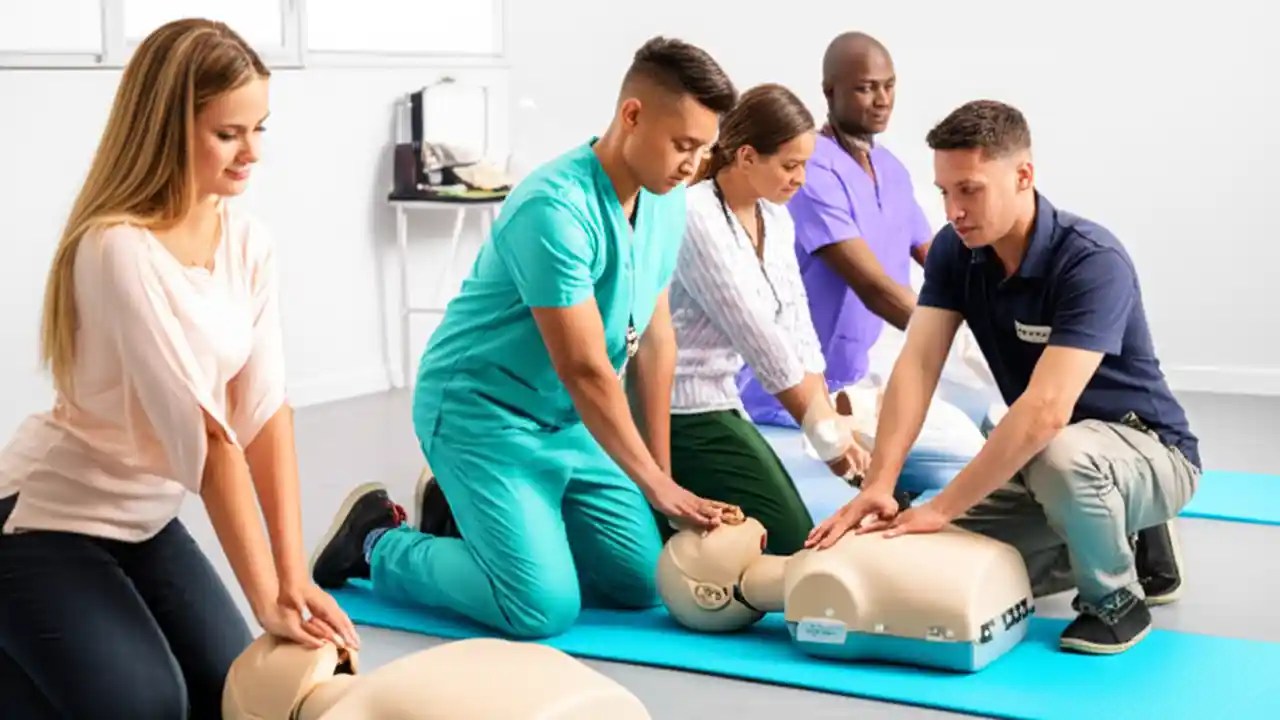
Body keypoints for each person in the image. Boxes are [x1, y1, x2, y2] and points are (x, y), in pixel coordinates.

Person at [310, 37, 738, 639]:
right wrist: (657, 487)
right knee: (540, 607)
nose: (693, 165)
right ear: (632, 115)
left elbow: (657, 340)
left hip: (567, 423)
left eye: (704, 150)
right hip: (480, 412)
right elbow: (587, 369)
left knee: (642, 581)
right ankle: (377, 541)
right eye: (684, 145)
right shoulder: (553, 208)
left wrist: (661, 486)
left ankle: (466, 520)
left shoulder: (665, 203)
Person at [0, 18, 357, 720]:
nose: (251, 152)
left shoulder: (248, 242)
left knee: (228, 692)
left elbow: (263, 412)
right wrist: (268, 601)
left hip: (145, 519)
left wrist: (294, 578)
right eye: (228, 133)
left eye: (260, 128)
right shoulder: (115, 251)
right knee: (147, 705)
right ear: (167, 127)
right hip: (43, 522)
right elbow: (210, 438)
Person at [806, 100, 1196, 656]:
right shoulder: (954, 251)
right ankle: (1122, 535)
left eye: (969, 190)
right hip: (1040, 462)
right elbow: (917, 366)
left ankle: (1115, 599)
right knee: (931, 557)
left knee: (1062, 456)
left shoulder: (1091, 260)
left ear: (1023, 176)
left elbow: (1046, 412)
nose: (954, 210)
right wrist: (880, 487)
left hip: (1147, 450)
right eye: (943, 192)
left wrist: (940, 505)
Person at [739, 30, 988, 493]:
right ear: (829, 91)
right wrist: (970, 335)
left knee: (973, 456)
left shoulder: (892, 170)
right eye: (865, 87)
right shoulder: (809, 168)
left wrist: (1004, 302)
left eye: (889, 86)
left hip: (856, 390)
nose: (881, 99)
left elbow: (938, 257)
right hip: (790, 399)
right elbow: (873, 288)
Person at [660, 83, 871, 555]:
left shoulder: (777, 219)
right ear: (748, 157)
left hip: (724, 400)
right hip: (679, 409)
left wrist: (830, 428)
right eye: (790, 165)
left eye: (806, 165)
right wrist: (827, 439)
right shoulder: (695, 215)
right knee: (792, 538)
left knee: (795, 522)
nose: (800, 178)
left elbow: (797, 326)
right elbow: (760, 339)